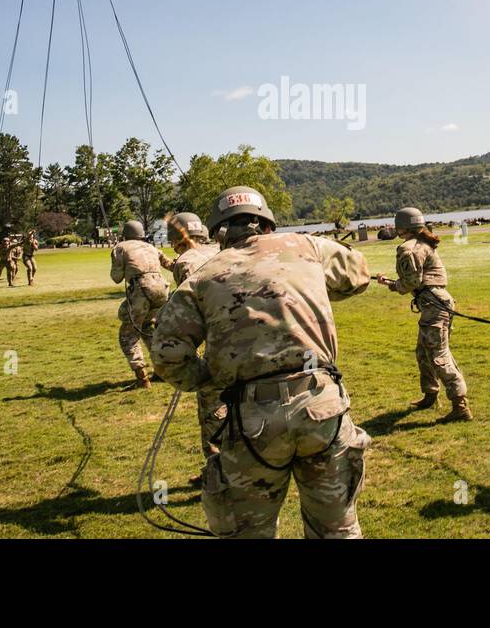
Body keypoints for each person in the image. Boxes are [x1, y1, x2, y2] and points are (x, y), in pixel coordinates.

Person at [151, 187, 373, 539]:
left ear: (220, 231)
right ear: (268, 222)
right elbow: (358, 273)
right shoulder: (307, 247)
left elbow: (166, 353)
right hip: (321, 405)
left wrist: (209, 379)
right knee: (337, 530)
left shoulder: (203, 277)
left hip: (250, 416)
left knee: (248, 532)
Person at [374, 207, 473, 422]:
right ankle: (430, 394)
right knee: (423, 351)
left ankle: (460, 405)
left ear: (401, 226)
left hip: (433, 305)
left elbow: (411, 282)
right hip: (437, 302)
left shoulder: (408, 248)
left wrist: (391, 284)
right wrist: (394, 283)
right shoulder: (424, 243)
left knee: (439, 355)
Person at [158, 212, 223, 460]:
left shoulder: (187, 262)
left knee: (212, 407)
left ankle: (217, 467)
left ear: (177, 240)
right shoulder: (222, 249)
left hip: (217, 345)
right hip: (248, 338)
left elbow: (191, 312)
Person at [110, 220, 169, 389]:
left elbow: (116, 278)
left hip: (141, 290)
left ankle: (142, 378)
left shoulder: (121, 247)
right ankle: (161, 370)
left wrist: (116, 258)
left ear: (125, 234)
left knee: (128, 334)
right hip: (161, 289)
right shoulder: (151, 247)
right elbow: (169, 264)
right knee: (147, 328)